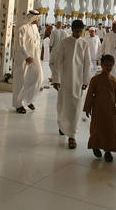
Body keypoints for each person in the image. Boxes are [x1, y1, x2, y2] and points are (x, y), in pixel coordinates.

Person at [50, 19, 93, 149]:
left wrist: (86, 80)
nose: (78, 33)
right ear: (72, 30)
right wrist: (56, 79)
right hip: (65, 80)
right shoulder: (65, 42)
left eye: (80, 31)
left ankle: (72, 135)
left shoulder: (84, 43)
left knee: (76, 107)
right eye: (76, 31)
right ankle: (63, 126)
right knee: (63, 105)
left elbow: (87, 63)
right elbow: (58, 61)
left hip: (78, 80)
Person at [84, 54, 116, 162]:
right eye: (106, 65)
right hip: (98, 110)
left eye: (110, 65)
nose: (108, 67)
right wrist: (88, 108)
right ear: (102, 65)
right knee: (96, 129)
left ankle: (108, 151)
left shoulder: (115, 81)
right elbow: (89, 95)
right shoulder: (95, 79)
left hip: (111, 111)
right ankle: (96, 146)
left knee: (110, 130)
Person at [12, 9, 42, 113]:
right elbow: (20, 44)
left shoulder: (35, 27)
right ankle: (18, 104)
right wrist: (27, 56)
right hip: (24, 59)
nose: (38, 19)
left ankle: (29, 99)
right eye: (37, 17)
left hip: (34, 57)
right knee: (21, 80)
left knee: (38, 77)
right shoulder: (22, 28)